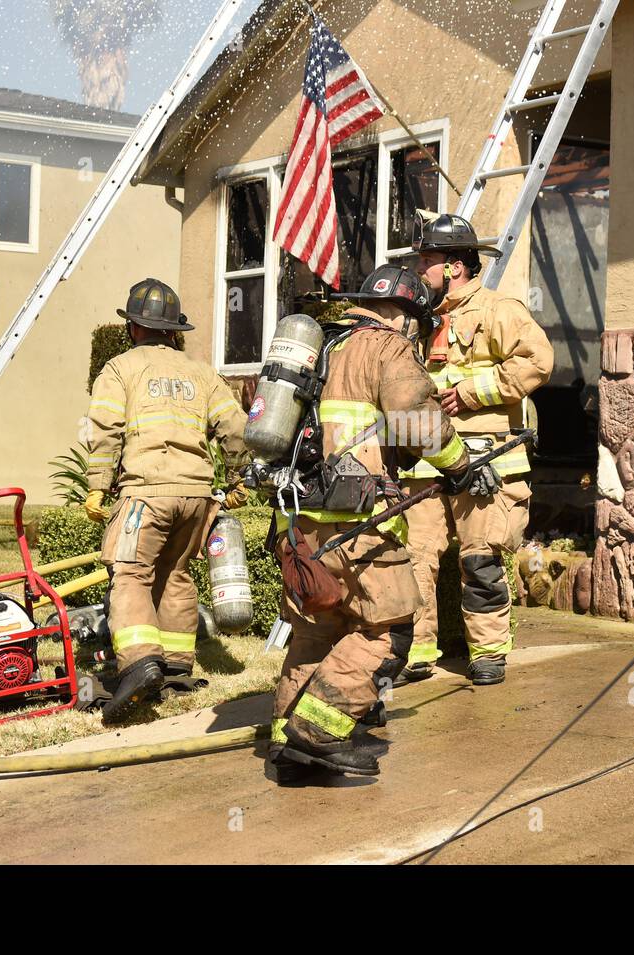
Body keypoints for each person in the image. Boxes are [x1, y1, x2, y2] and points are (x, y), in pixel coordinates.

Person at [267, 265, 472, 783]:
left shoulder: (320, 345)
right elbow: (415, 415)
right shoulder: (387, 347)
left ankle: (288, 740)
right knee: (389, 630)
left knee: (318, 627)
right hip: (357, 522)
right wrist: (459, 462)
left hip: (296, 521)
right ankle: (318, 732)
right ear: (406, 317)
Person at [85, 278, 250, 725]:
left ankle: (140, 663)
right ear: (173, 330)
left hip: (146, 493)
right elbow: (235, 430)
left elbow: (105, 432)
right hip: (196, 496)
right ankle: (177, 666)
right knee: (175, 571)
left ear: (134, 326)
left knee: (131, 573)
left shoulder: (120, 369)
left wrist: (98, 486)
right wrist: (238, 480)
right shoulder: (202, 372)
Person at [399, 212, 553, 687]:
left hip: (485, 462)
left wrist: (470, 391)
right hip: (426, 463)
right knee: (414, 558)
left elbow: (539, 361)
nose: (419, 268)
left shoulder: (498, 310)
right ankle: (415, 654)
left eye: (428, 260)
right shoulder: (417, 322)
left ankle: (487, 653)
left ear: (455, 267)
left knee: (480, 559)